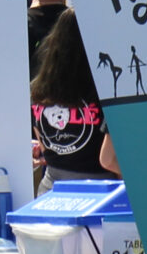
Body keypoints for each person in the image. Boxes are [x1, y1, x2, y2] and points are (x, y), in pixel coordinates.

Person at [30, 10, 118, 180]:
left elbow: (46, 147)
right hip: (99, 190)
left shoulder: (38, 89)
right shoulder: (107, 89)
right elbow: (109, 159)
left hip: (51, 190)